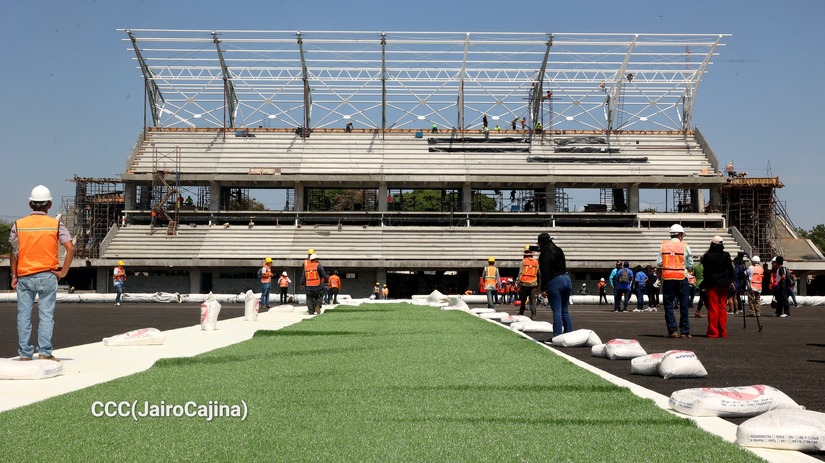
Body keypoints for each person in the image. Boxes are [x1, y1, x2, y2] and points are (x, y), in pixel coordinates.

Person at [9, 185, 74, 361]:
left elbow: (13, 251)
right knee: (46, 316)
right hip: (48, 275)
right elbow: (70, 248)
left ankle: (25, 355)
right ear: (49, 205)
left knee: (24, 316)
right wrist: (63, 272)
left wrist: (14, 275)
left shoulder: (19, 225)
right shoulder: (56, 224)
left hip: (24, 276)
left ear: (31, 204)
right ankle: (45, 353)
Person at [656, 224, 693, 338]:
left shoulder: (663, 245)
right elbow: (690, 264)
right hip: (681, 277)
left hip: (668, 278)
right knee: (684, 304)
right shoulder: (684, 246)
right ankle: (685, 332)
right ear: (680, 235)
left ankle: (673, 331)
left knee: (668, 305)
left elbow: (659, 263)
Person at [538, 232, 572, 338]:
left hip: (555, 281)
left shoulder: (544, 254)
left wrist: (543, 288)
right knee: (565, 310)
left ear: (541, 243)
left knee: (556, 311)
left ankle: (557, 335)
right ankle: (569, 335)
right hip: (566, 279)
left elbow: (545, 272)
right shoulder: (558, 250)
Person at [700, 236, 733, 338]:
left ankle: (713, 332)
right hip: (724, 284)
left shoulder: (707, 256)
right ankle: (722, 332)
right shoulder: (726, 255)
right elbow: (730, 270)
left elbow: (706, 272)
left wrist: (704, 284)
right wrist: (730, 281)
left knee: (713, 308)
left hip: (712, 284)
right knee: (722, 307)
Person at [517, 245, 541, 318]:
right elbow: (538, 273)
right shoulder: (536, 262)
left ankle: (521, 312)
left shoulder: (523, 261)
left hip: (524, 284)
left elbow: (520, 273)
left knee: (523, 299)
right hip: (533, 283)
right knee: (533, 299)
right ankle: (533, 314)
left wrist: (518, 284)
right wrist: (538, 284)